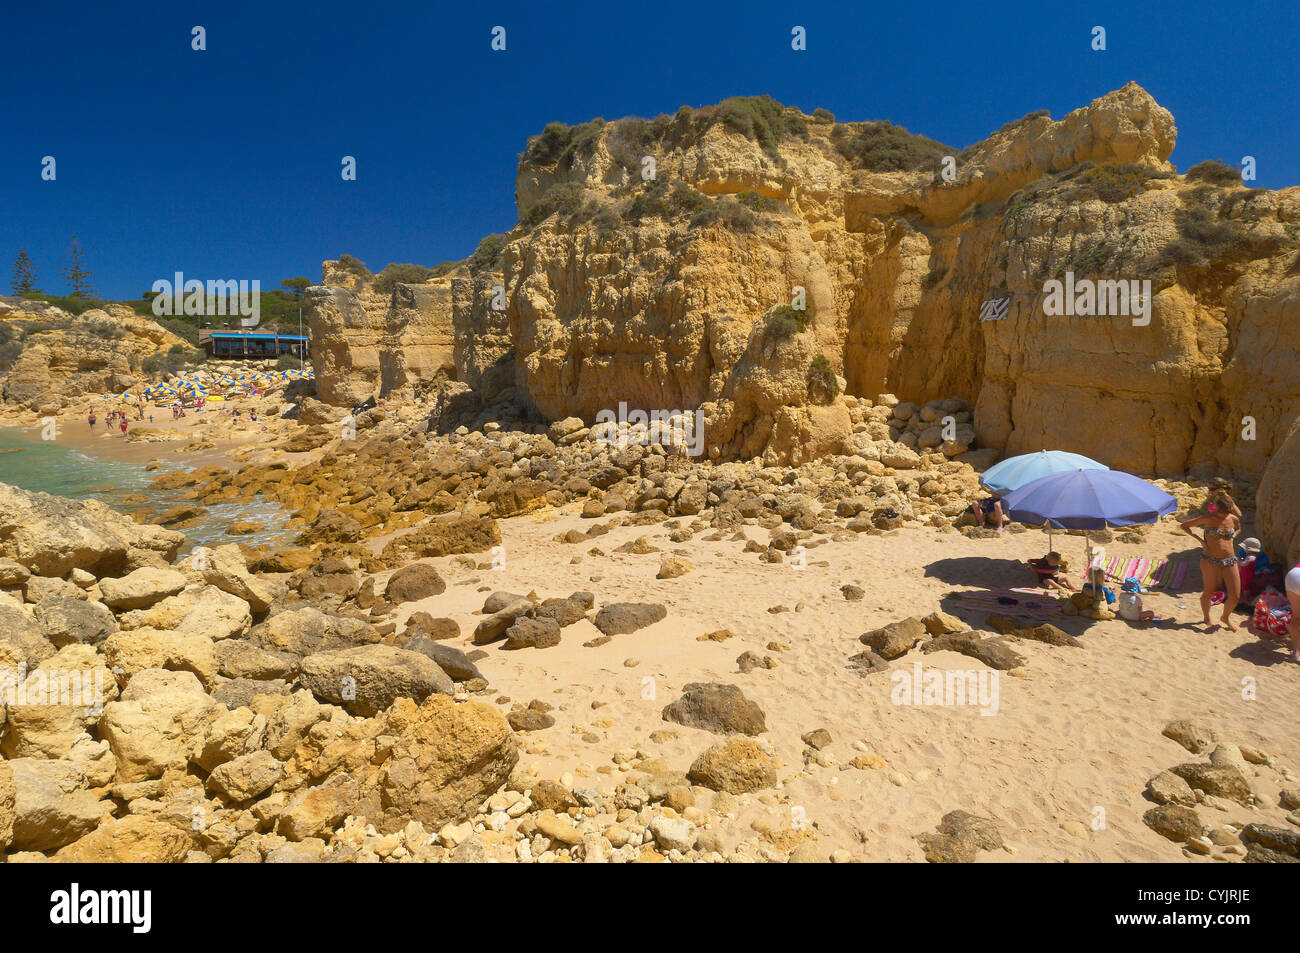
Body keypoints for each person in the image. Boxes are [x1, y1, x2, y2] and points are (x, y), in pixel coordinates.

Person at [1180, 490, 1242, 631]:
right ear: (1218, 508)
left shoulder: (1233, 518)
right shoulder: (1208, 518)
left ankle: (1225, 617)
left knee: (1235, 595)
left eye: (1226, 511)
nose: (1224, 514)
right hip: (1210, 560)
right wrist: (1201, 541)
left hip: (1229, 560)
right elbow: (1184, 526)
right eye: (1222, 511)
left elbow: (1238, 528)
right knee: (1209, 592)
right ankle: (1207, 617)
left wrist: (1233, 536)